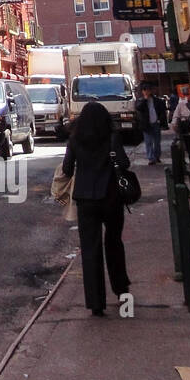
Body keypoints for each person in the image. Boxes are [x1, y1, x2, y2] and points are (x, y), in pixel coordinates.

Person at [62, 101, 131, 316]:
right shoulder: (112, 137)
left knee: (90, 250)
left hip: (85, 199)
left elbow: (66, 168)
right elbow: (124, 163)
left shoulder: (75, 138)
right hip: (110, 197)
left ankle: (95, 303)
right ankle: (121, 290)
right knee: (114, 243)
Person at [135, 81, 168, 165]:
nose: (146, 92)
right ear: (142, 91)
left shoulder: (157, 100)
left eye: (148, 90)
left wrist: (161, 121)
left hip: (155, 123)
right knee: (148, 142)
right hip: (146, 125)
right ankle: (151, 158)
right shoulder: (140, 100)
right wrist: (145, 100)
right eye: (144, 90)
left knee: (157, 142)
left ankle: (157, 157)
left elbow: (162, 111)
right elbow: (139, 108)